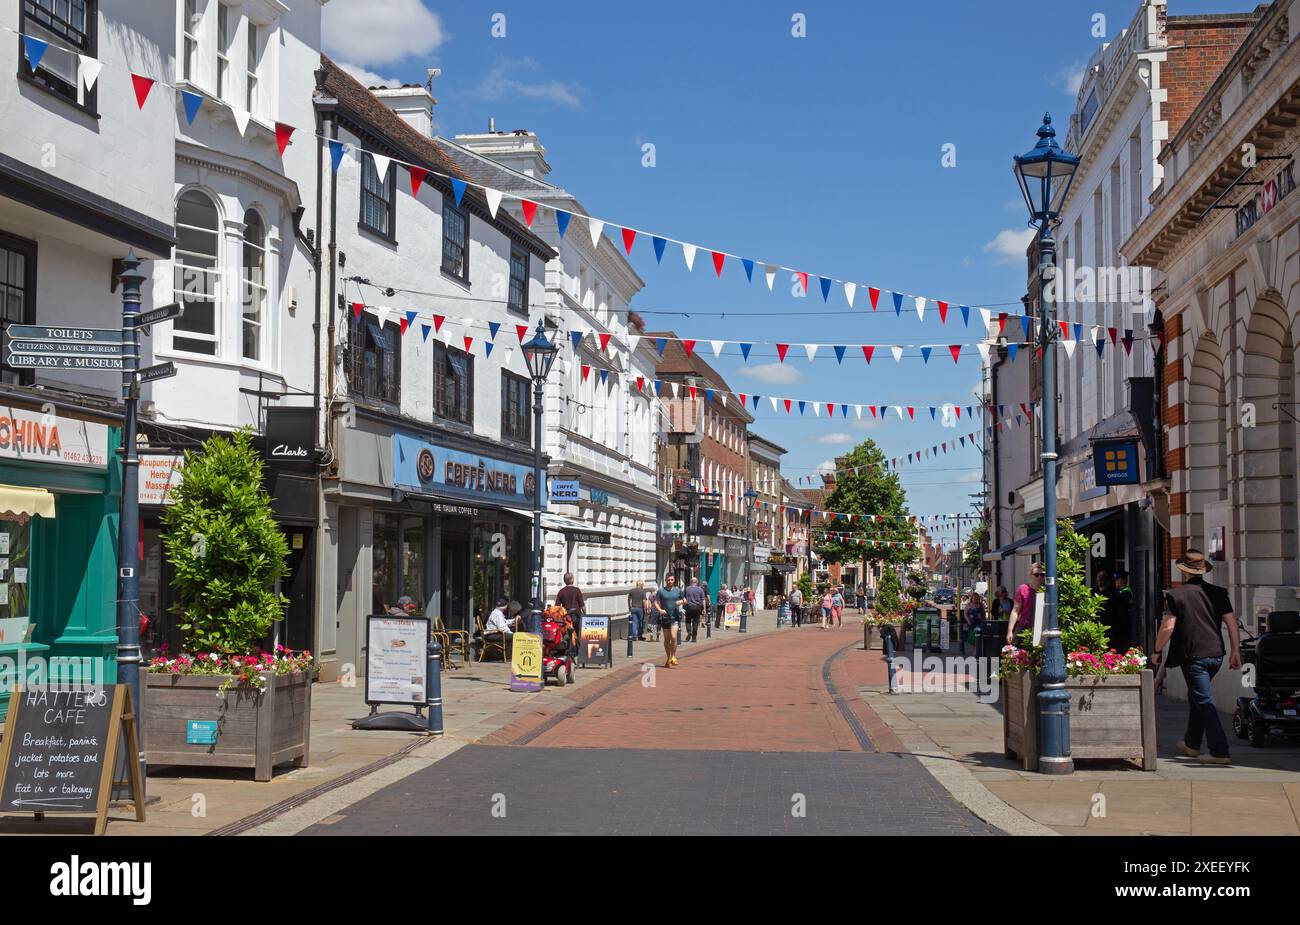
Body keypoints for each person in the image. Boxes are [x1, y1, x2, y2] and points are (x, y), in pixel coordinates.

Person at [1153, 550, 1240, 765]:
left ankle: (1219, 751)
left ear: (1183, 571)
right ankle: (1192, 744)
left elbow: (1168, 626)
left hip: (1193, 655)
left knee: (1204, 700)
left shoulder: (1176, 595)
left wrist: (1157, 650)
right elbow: (1231, 623)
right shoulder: (1219, 593)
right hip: (1216, 654)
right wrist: (1236, 651)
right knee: (1198, 697)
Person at [1005, 564, 1045, 646]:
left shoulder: (1047, 591)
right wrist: (1010, 631)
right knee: (1014, 653)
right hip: (1024, 628)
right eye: (1036, 575)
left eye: (1042, 575)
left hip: (1040, 629)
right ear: (1031, 575)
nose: (1039, 577)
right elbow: (1015, 611)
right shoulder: (1023, 589)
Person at [654, 575, 685, 668]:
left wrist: (681, 601)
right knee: (667, 639)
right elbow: (655, 602)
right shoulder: (661, 591)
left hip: (674, 617)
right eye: (668, 580)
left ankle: (673, 656)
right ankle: (668, 658)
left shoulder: (678, 590)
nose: (670, 581)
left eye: (672, 580)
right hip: (665, 618)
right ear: (665, 580)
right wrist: (660, 610)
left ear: (674, 580)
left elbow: (685, 600)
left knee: (674, 637)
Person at [1110, 569, 1134, 653]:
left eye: (1118, 579)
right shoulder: (1118, 591)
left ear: (1123, 580)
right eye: (1115, 579)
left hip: (1124, 623)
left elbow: (1121, 602)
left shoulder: (1127, 591)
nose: (1116, 581)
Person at [684, 577, 706, 642]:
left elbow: (684, 598)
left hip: (689, 607)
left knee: (688, 621)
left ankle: (689, 631)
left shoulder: (687, 588)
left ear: (691, 582)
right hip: (697, 607)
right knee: (695, 622)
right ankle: (694, 638)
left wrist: (684, 605)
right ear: (697, 582)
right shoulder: (700, 589)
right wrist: (704, 609)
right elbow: (703, 600)